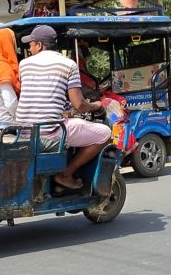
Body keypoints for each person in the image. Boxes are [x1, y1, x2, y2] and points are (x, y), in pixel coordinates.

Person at [14, 25, 113, 196]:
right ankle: (65, 175)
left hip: (24, 131)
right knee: (104, 133)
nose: (29, 48)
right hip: (49, 133)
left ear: (39, 45)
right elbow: (79, 105)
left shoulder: (24, 64)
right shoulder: (68, 65)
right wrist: (96, 105)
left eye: (30, 44)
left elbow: (40, 94)